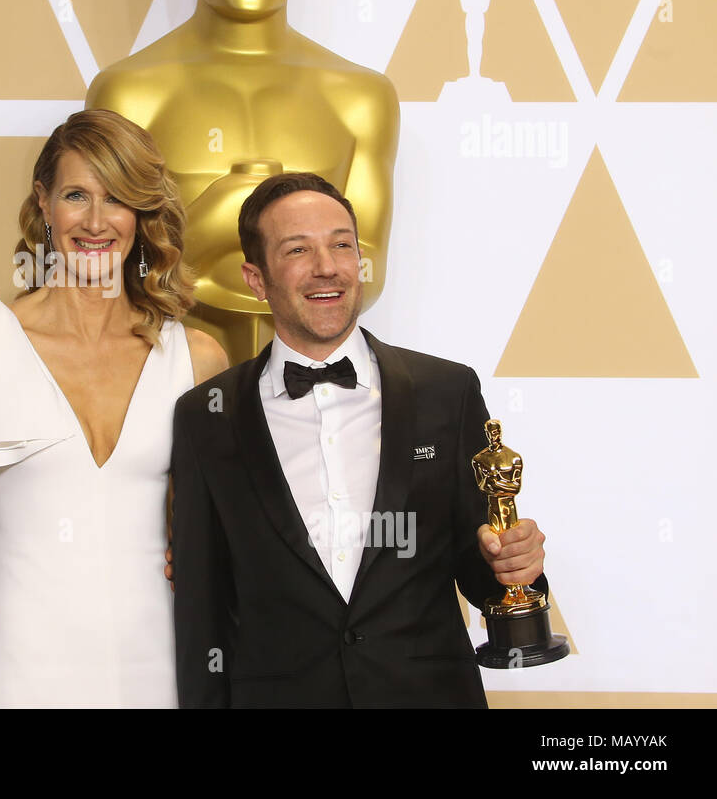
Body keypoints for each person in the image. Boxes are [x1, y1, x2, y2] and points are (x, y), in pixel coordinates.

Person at [170, 172, 549, 707]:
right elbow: (202, 610)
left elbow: (481, 564)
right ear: (256, 279)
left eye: (341, 245)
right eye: (297, 249)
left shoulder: (448, 390)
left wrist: (516, 569)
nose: (326, 266)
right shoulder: (207, 416)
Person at [0, 109, 229, 707]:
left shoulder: (196, 357)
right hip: (23, 662)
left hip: (159, 657)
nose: (96, 221)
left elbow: (228, 520)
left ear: (141, 214)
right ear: (43, 202)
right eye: (75, 195)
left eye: (117, 198)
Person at [86, 0, 399, 360]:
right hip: (164, 369)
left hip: (312, 384)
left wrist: (207, 240)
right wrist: (220, 222)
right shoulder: (129, 93)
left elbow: (369, 264)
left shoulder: (360, 96)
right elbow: (108, 260)